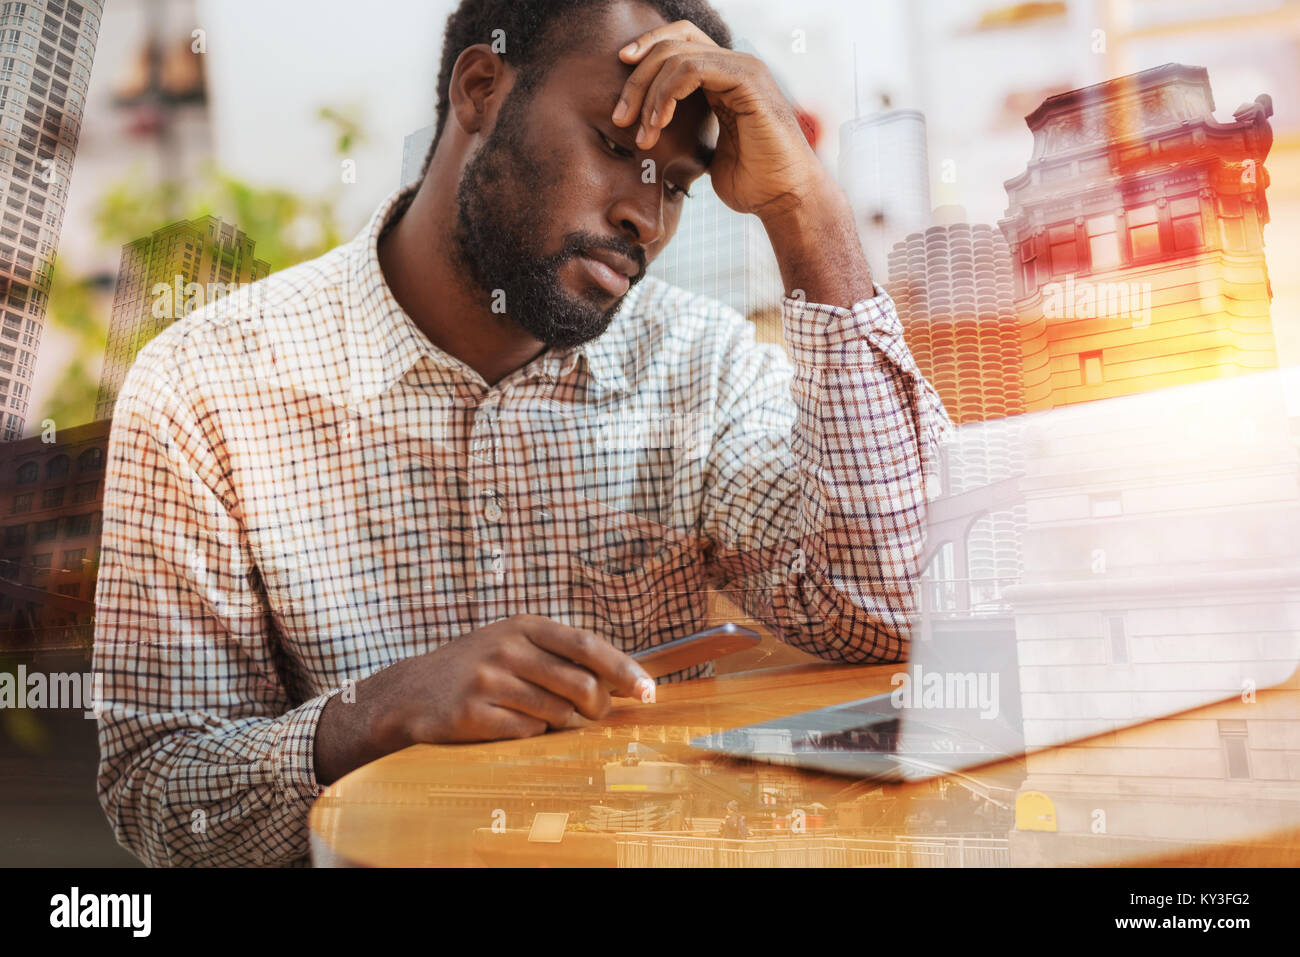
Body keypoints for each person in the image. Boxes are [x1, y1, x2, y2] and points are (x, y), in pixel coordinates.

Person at [94, 0, 953, 866]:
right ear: (481, 88)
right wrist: (374, 712)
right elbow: (159, 796)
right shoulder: (204, 391)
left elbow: (898, 613)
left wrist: (807, 207)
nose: (645, 219)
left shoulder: (704, 369)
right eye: (616, 147)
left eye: (678, 184)